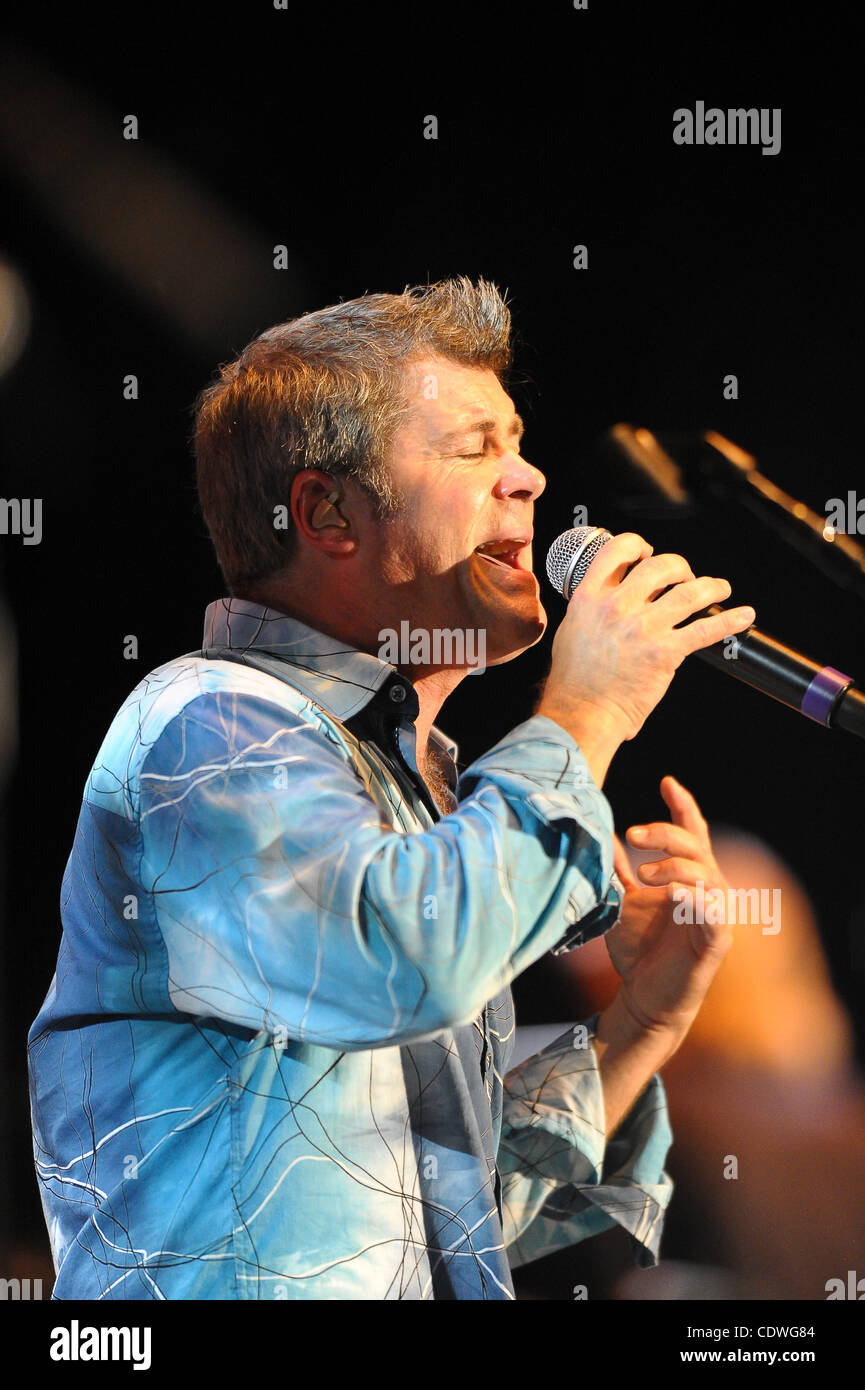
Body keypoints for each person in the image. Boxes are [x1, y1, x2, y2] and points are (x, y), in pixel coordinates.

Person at [27, 278, 754, 1300]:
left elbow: (431, 1218)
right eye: (475, 448)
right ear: (327, 511)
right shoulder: (205, 724)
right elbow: (394, 954)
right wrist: (586, 712)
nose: (530, 477)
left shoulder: (413, 787)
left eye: (518, 442)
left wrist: (645, 1019)